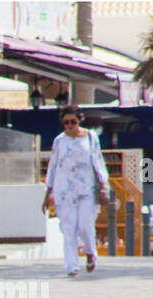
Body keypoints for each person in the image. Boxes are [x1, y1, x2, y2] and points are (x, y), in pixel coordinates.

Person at [43, 105, 110, 277]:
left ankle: (90, 252)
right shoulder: (59, 141)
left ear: (80, 120)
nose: (70, 126)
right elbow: (52, 167)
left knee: (85, 226)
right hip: (64, 191)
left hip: (87, 189)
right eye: (66, 123)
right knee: (68, 227)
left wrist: (104, 186)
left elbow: (98, 161)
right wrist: (47, 194)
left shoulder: (91, 137)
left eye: (73, 121)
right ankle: (71, 266)